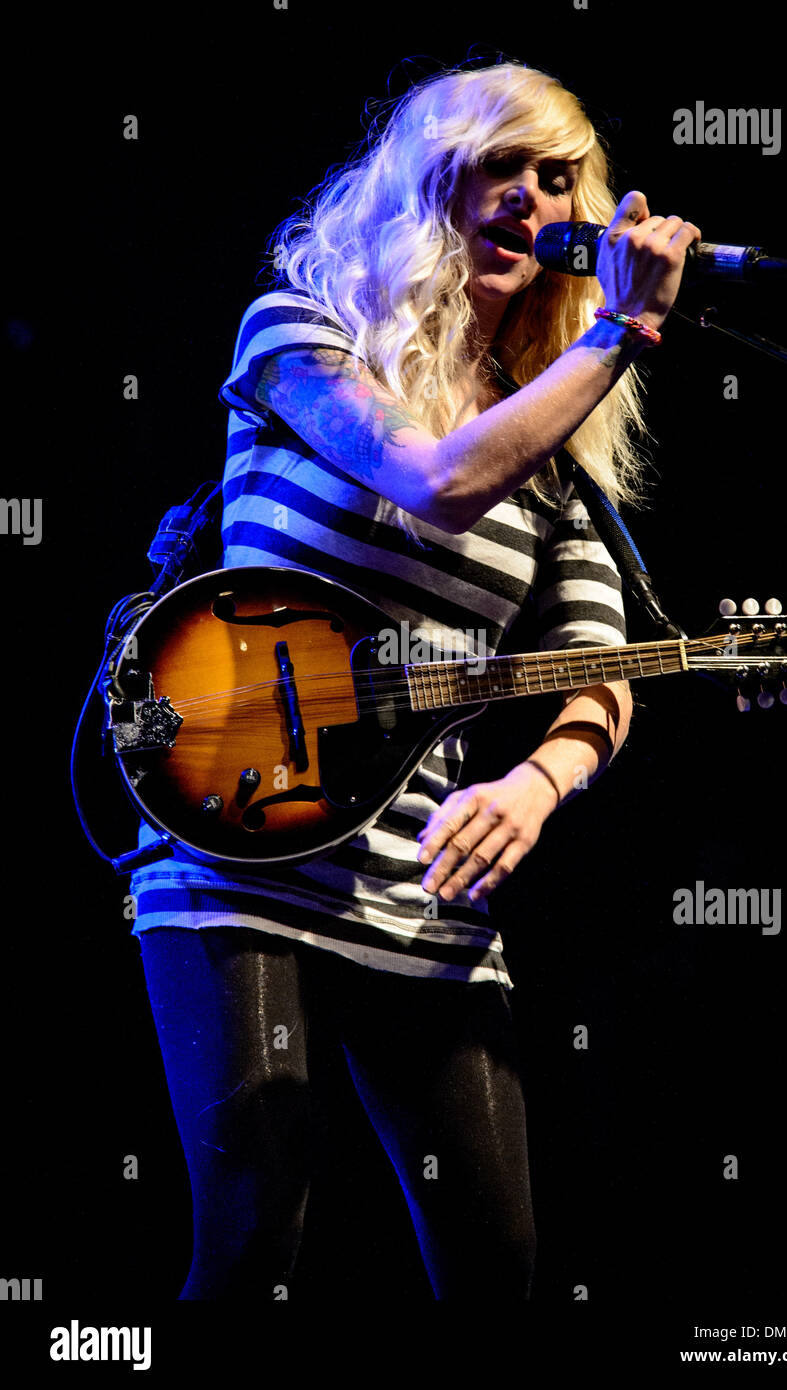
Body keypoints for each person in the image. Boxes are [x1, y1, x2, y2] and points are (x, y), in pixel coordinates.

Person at [128, 60, 700, 1300]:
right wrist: (619, 332)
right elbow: (434, 477)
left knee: (499, 1265)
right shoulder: (298, 333)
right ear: (425, 181)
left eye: (559, 177)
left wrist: (537, 787)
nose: (533, 197)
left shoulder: (556, 435)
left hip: (424, 881)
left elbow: (601, 668)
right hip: (240, 840)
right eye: (500, 164)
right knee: (249, 1234)